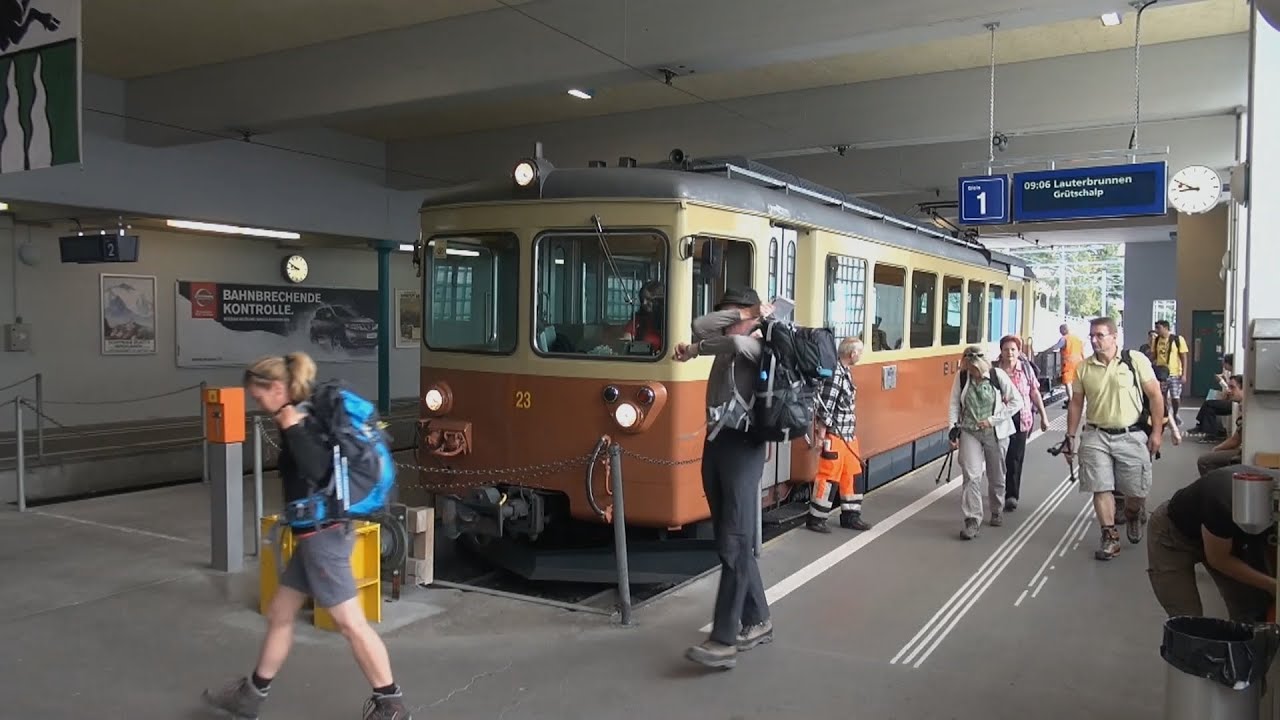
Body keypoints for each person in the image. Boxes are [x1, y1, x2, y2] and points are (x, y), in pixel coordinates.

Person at [202, 353, 412, 720]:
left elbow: (318, 470)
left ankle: (391, 704)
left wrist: (293, 429)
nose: (256, 401)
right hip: (314, 535)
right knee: (281, 613)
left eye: (258, 394)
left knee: (350, 624)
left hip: (323, 538)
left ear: (278, 388)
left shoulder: (298, 418)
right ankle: (251, 696)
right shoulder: (304, 411)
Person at [674, 288, 773, 670]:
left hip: (741, 450)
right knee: (731, 541)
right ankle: (759, 619)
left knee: (733, 542)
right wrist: (695, 350)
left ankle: (723, 640)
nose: (724, 321)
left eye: (731, 314)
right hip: (717, 444)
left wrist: (745, 315)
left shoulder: (757, 347)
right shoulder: (734, 344)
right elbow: (703, 332)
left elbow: (708, 330)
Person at [1064, 316, 1165, 561]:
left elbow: (1155, 396)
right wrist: (1070, 437)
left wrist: (1157, 432)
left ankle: (1133, 512)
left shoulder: (1135, 361)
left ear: (1114, 336)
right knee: (1100, 487)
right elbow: (1076, 404)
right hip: (1096, 435)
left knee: (1136, 491)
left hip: (1131, 435)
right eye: (1092, 336)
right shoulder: (1084, 368)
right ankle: (1110, 537)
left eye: (1100, 335)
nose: (1094, 340)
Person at [1147, 464, 1277, 622]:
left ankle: (1246, 645)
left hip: (1225, 536)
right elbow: (1218, 559)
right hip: (1172, 537)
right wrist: (1272, 585)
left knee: (1252, 607)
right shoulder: (1226, 500)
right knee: (1188, 621)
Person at [947, 345, 1023, 540]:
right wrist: (952, 429)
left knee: (996, 475)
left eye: (974, 369)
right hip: (969, 431)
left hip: (995, 432)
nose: (972, 373)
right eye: (968, 369)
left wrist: (993, 420)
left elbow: (1017, 401)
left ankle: (996, 508)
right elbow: (955, 403)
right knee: (971, 476)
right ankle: (972, 519)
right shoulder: (963, 377)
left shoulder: (997, 375)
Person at [808, 336, 873, 533]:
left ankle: (851, 516)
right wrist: (821, 435)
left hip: (848, 436)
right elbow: (825, 408)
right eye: (859, 352)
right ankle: (816, 519)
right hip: (835, 436)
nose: (860, 356)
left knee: (852, 475)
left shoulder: (845, 372)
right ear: (852, 353)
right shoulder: (836, 374)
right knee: (828, 477)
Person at [994, 335, 1048, 512]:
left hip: (1021, 418)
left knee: (1015, 458)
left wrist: (1044, 417)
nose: (1009, 353)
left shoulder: (1024, 369)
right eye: (1006, 349)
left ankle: (1011, 495)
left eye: (1013, 350)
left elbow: (1034, 392)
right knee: (999, 457)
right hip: (999, 419)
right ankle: (999, 489)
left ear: (1018, 352)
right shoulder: (994, 371)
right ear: (1000, 352)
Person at [1151, 320, 1190, 427]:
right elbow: (1154, 356)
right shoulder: (1156, 340)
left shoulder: (1177, 339)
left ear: (1166, 328)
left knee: (1175, 397)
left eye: (1159, 328)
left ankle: (1176, 413)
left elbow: (1183, 357)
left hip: (1174, 373)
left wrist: (1184, 374)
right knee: (1162, 396)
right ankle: (1167, 416)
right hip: (1161, 373)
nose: (1157, 330)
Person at [1052, 323, 1085, 409]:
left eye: (1060, 331)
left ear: (1064, 330)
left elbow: (1055, 347)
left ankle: (1071, 402)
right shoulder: (1077, 338)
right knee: (1075, 383)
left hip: (1069, 364)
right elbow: (1082, 351)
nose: (1060, 333)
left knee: (1068, 383)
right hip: (1078, 363)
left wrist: (1045, 351)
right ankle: (1075, 400)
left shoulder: (1064, 339)